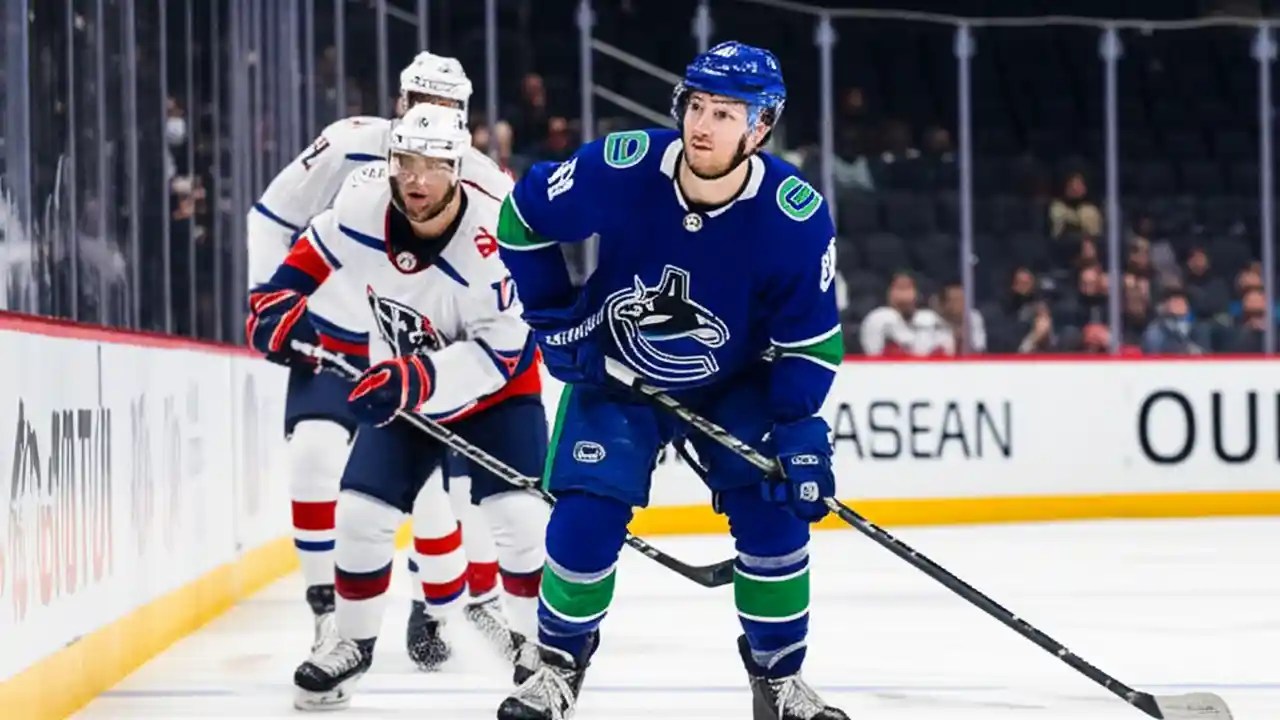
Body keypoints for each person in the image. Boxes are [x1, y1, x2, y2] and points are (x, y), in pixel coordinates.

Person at [495, 41, 849, 720]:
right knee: (584, 515)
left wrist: (799, 424)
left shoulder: (793, 218)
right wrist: (555, 320)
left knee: (774, 515)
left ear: (761, 127)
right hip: (615, 373)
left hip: (736, 381)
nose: (703, 124)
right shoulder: (621, 168)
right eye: (696, 105)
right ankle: (557, 668)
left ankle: (779, 679)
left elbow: (812, 341)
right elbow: (523, 218)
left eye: (724, 112)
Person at [246, 103, 550, 709]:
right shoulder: (363, 204)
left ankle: (536, 649)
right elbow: (315, 246)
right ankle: (351, 648)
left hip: (495, 394)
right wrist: (276, 301)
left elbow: (504, 354)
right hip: (402, 391)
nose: (415, 180)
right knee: (358, 515)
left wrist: (420, 377)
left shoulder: (495, 239)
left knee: (518, 520)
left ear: (458, 169)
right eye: (405, 163)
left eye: (432, 167)